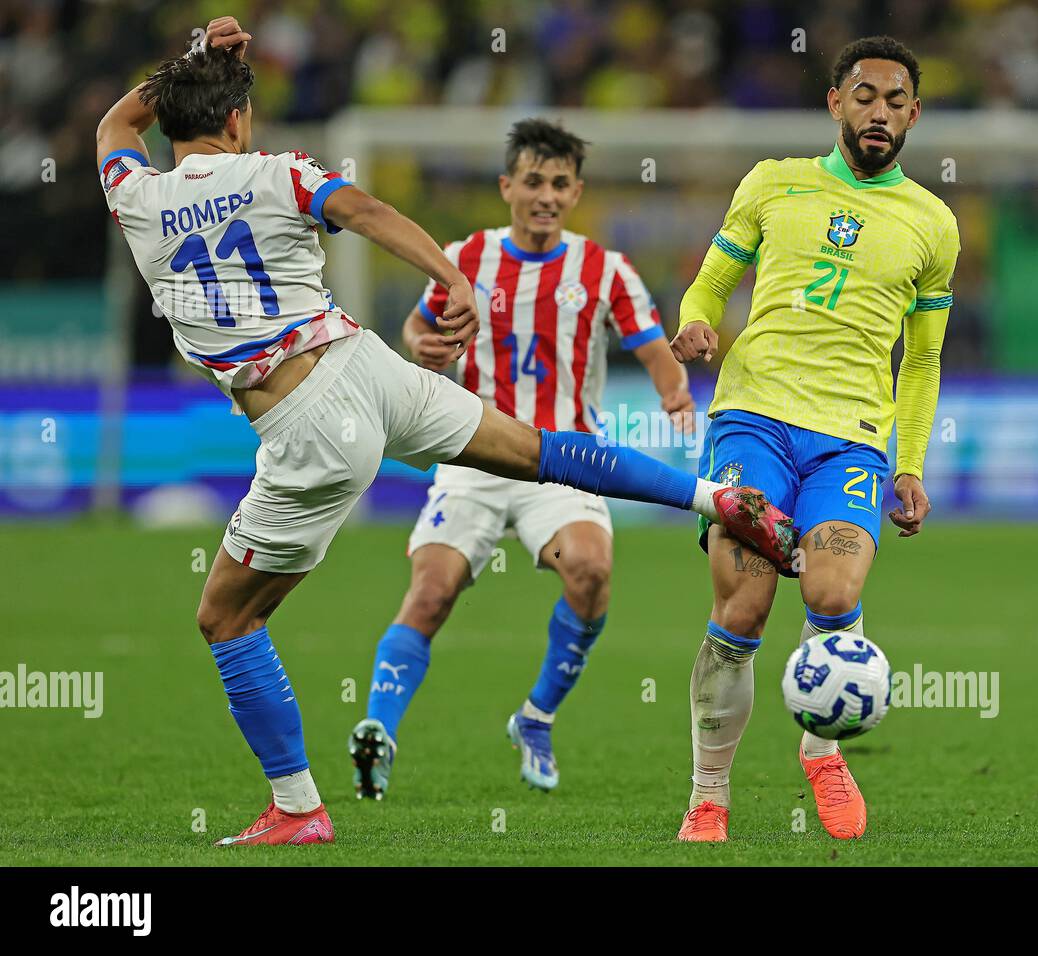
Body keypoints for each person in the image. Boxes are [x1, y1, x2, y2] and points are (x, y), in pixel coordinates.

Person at [95, 16, 791, 847]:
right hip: (365, 364)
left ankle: (297, 809)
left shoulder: (135, 195)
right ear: (239, 119)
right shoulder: (279, 171)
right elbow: (365, 209)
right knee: (535, 450)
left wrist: (192, 62)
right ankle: (714, 497)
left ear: (173, 120)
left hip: (305, 421)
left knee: (226, 619)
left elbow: (115, 124)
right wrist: (451, 277)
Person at [349, 118, 695, 797]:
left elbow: (653, 347)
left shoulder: (605, 270)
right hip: (475, 456)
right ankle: (378, 732)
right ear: (507, 186)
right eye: (534, 181)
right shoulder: (466, 258)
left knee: (589, 571)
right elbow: (419, 322)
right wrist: (419, 341)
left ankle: (535, 716)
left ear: (576, 193)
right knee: (431, 592)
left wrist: (674, 391)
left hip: (563, 465)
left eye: (560, 184)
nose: (546, 196)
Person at [669, 36, 960, 842]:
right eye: (864, 96)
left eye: (895, 100)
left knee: (832, 596)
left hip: (852, 441)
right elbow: (711, 283)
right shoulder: (773, 182)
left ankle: (822, 752)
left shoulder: (934, 225)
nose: (879, 112)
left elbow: (923, 360)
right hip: (752, 419)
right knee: (745, 605)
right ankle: (708, 796)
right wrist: (695, 321)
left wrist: (910, 465)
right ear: (836, 103)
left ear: (914, 114)